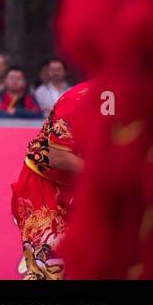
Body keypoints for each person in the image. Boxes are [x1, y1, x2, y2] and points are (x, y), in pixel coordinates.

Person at [10, 80, 95, 278]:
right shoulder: (78, 100)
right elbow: (58, 157)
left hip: (83, 187)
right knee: (51, 269)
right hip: (43, 183)